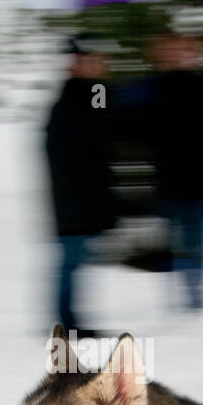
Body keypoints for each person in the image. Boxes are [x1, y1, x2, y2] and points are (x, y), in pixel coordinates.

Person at [142, 33, 203, 311]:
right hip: (168, 175)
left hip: (199, 175)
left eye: (184, 51)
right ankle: (181, 291)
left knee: (197, 236)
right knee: (174, 238)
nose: (178, 56)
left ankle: (196, 292)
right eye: (170, 51)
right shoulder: (152, 89)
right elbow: (139, 129)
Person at [45, 36, 117, 337]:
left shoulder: (86, 96)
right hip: (75, 198)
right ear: (76, 65)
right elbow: (79, 151)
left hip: (78, 197)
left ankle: (69, 321)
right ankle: (67, 324)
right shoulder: (73, 101)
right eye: (94, 60)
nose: (102, 66)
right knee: (70, 261)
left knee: (72, 261)